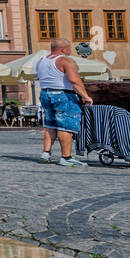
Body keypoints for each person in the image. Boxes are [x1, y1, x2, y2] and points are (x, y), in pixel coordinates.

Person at [37, 38, 93, 166]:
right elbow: (74, 81)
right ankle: (66, 157)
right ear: (63, 49)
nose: (70, 50)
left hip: (45, 93)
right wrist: (85, 96)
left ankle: (46, 153)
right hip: (63, 95)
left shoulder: (41, 61)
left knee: (50, 124)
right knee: (65, 125)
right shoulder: (64, 60)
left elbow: (39, 77)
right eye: (69, 48)